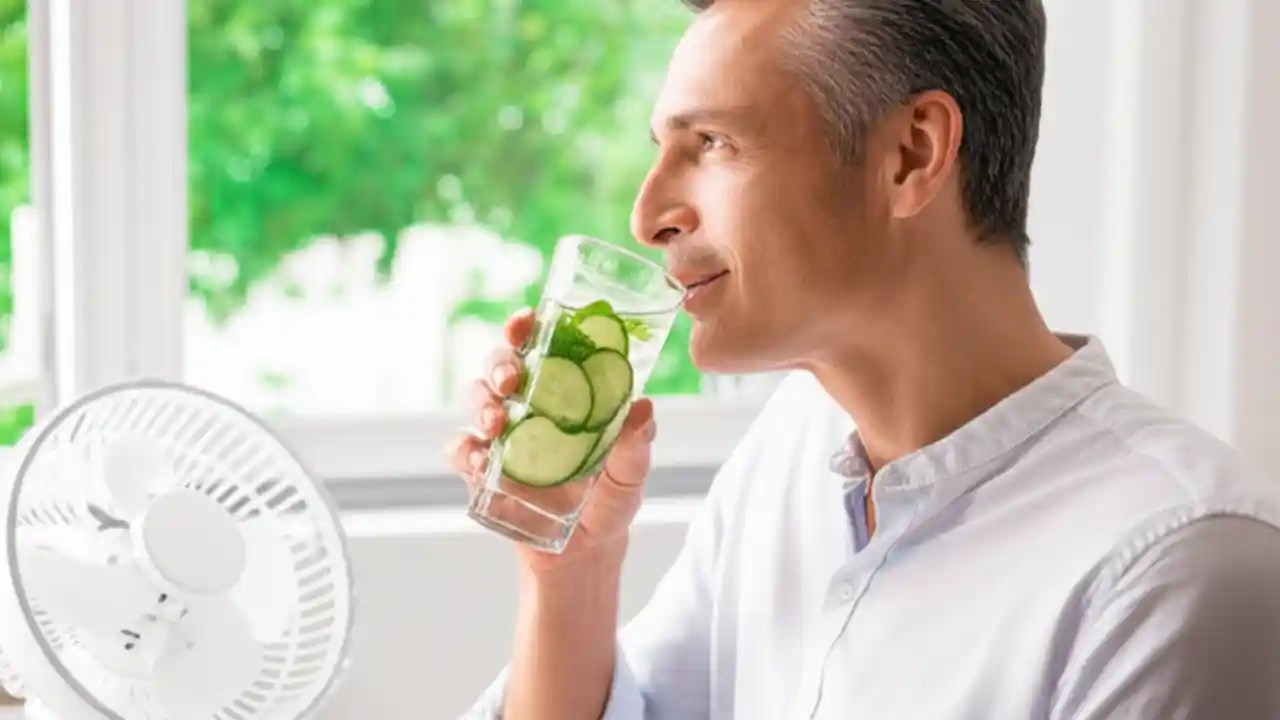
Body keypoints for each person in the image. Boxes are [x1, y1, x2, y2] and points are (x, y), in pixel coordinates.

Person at [450, 0, 1280, 717]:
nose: (649, 214)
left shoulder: (1180, 566)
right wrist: (571, 569)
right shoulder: (789, 452)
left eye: (712, 143)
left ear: (911, 155)